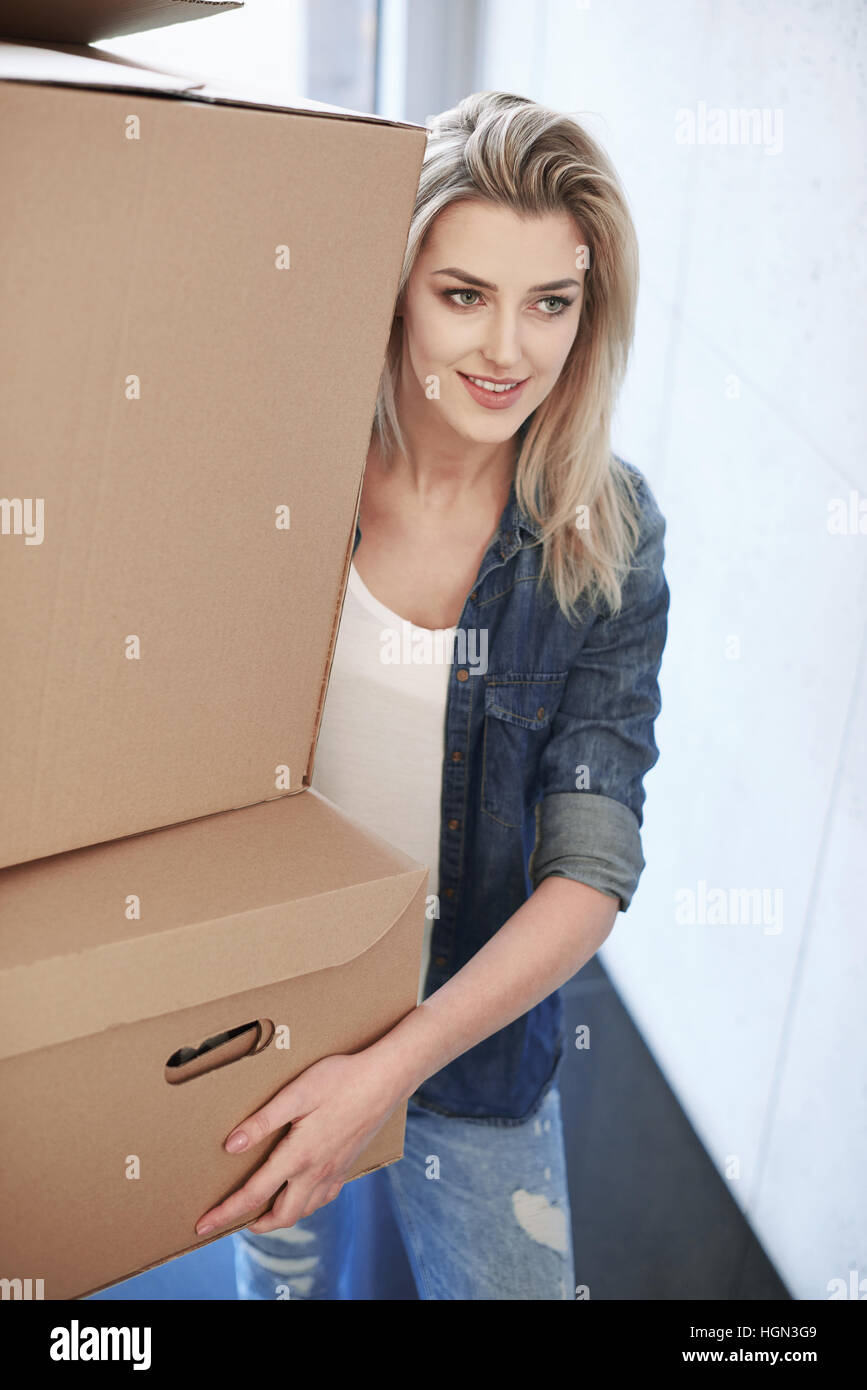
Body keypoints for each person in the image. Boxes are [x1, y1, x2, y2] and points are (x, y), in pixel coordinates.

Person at [195, 90, 670, 1300]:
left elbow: (591, 871)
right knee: (279, 1280)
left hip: (472, 1036)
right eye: (464, 294)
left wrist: (389, 1071)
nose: (508, 350)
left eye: (550, 302)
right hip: (272, 1005)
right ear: (398, 284)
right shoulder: (281, 465)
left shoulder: (609, 534)